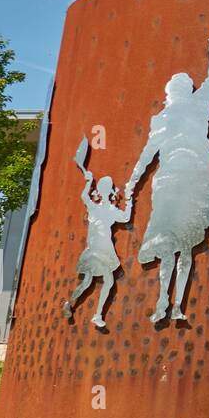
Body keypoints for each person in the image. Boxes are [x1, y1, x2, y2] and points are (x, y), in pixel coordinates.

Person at [127, 28, 209, 324]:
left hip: (172, 180)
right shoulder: (196, 105)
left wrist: (131, 182)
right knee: (185, 247)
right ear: (185, 90)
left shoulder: (163, 118)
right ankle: (175, 305)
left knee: (171, 246)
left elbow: (145, 157)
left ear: (169, 93)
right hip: (195, 176)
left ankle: (166, 303)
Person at [63, 137, 130, 329]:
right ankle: (96, 314)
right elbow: (125, 217)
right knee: (102, 281)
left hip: (100, 250)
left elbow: (124, 218)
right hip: (97, 250)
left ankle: (77, 305)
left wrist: (88, 182)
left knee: (90, 282)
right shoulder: (101, 208)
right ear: (105, 191)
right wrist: (89, 181)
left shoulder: (99, 208)